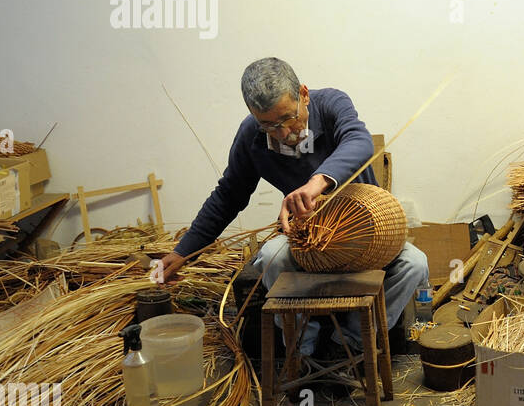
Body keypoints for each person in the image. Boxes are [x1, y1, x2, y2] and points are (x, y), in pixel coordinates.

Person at [157, 57, 428, 361]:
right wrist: (184, 251)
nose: (283, 133)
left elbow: (359, 141)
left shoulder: (331, 104)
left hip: (368, 238)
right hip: (310, 242)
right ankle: (303, 350)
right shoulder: (251, 136)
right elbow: (229, 195)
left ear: (303, 94)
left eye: (288, 118)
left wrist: (316, 183)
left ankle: (348, 344)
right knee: (272, 257)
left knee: (414, 264)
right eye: (269, 125)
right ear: (253, 116)